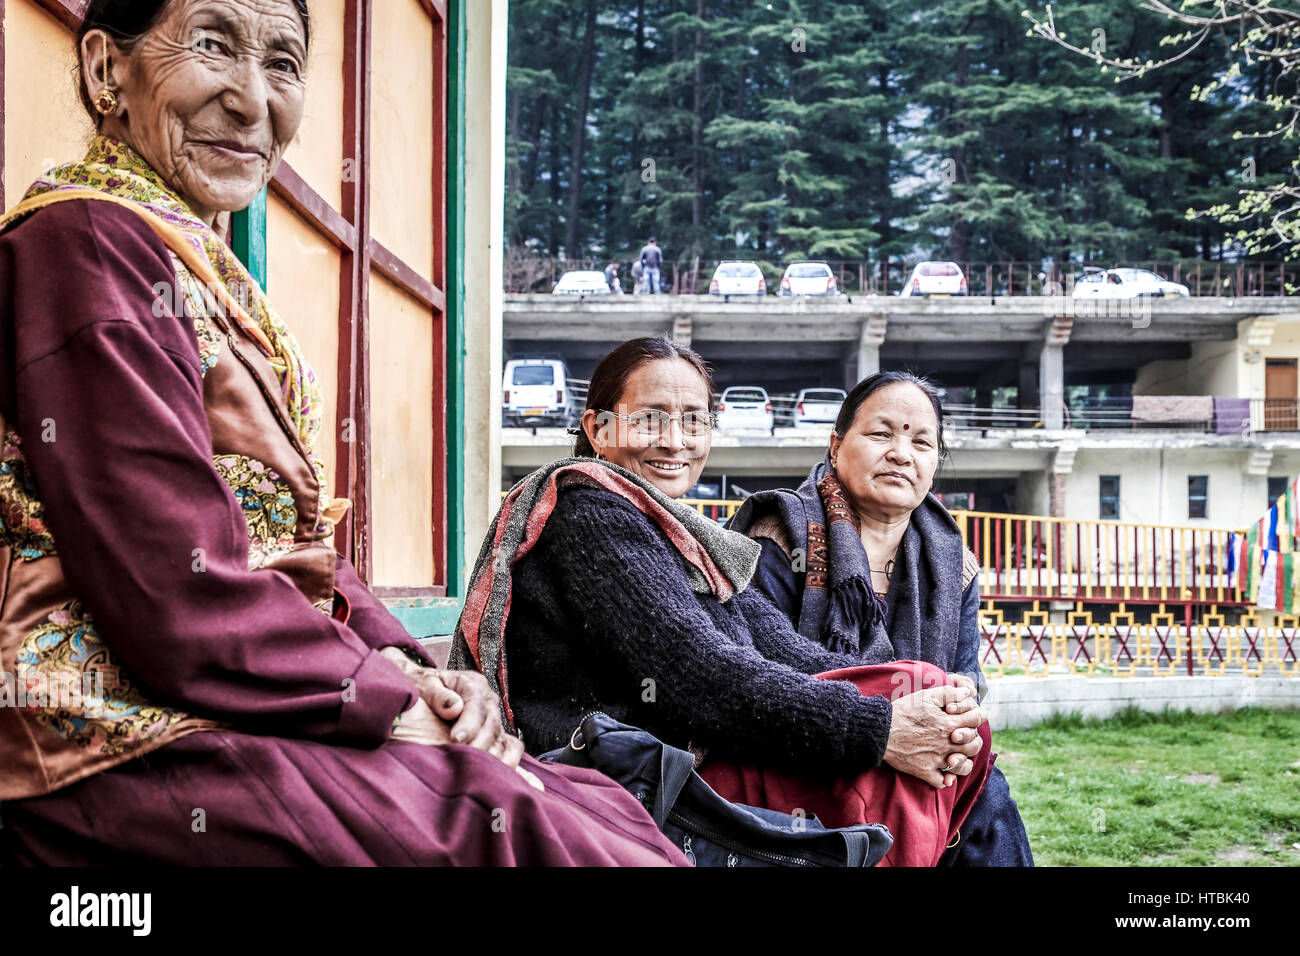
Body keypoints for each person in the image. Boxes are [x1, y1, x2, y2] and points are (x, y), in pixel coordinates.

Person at [0, 0, 684, 867]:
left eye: (284, 63)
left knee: (587, 801)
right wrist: (377, 696)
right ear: (107, 71)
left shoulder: (185, 260)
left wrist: (421, 669)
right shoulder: (86, 241)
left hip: (226, 686)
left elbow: (293, 542)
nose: (254, 102)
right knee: (513, 826)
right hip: (105, 731)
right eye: (211, 45)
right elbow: (175, 585)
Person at [450, 337, 996, 866]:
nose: (674, 440)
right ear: (598, 428)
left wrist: (902, 698)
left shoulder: (682, 534)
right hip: (630, 782)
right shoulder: (590, 511)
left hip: (694, 759)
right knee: (902, 750)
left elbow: (781, 648)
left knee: (936, 699)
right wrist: (879, 728)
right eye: (649, 418)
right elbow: (697, 674)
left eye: (693, 420)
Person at [727, 370, 1034, 867]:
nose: (901, 453)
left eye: (921, 442)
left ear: (935, 463)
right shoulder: (781, 538)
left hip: (925, 761)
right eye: (880, 434)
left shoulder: (954, 563)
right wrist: (894, 722)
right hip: (805, 752)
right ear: (835, 446)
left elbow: (967, 678)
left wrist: (952, 725)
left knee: (978, 780)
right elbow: (763, 678)